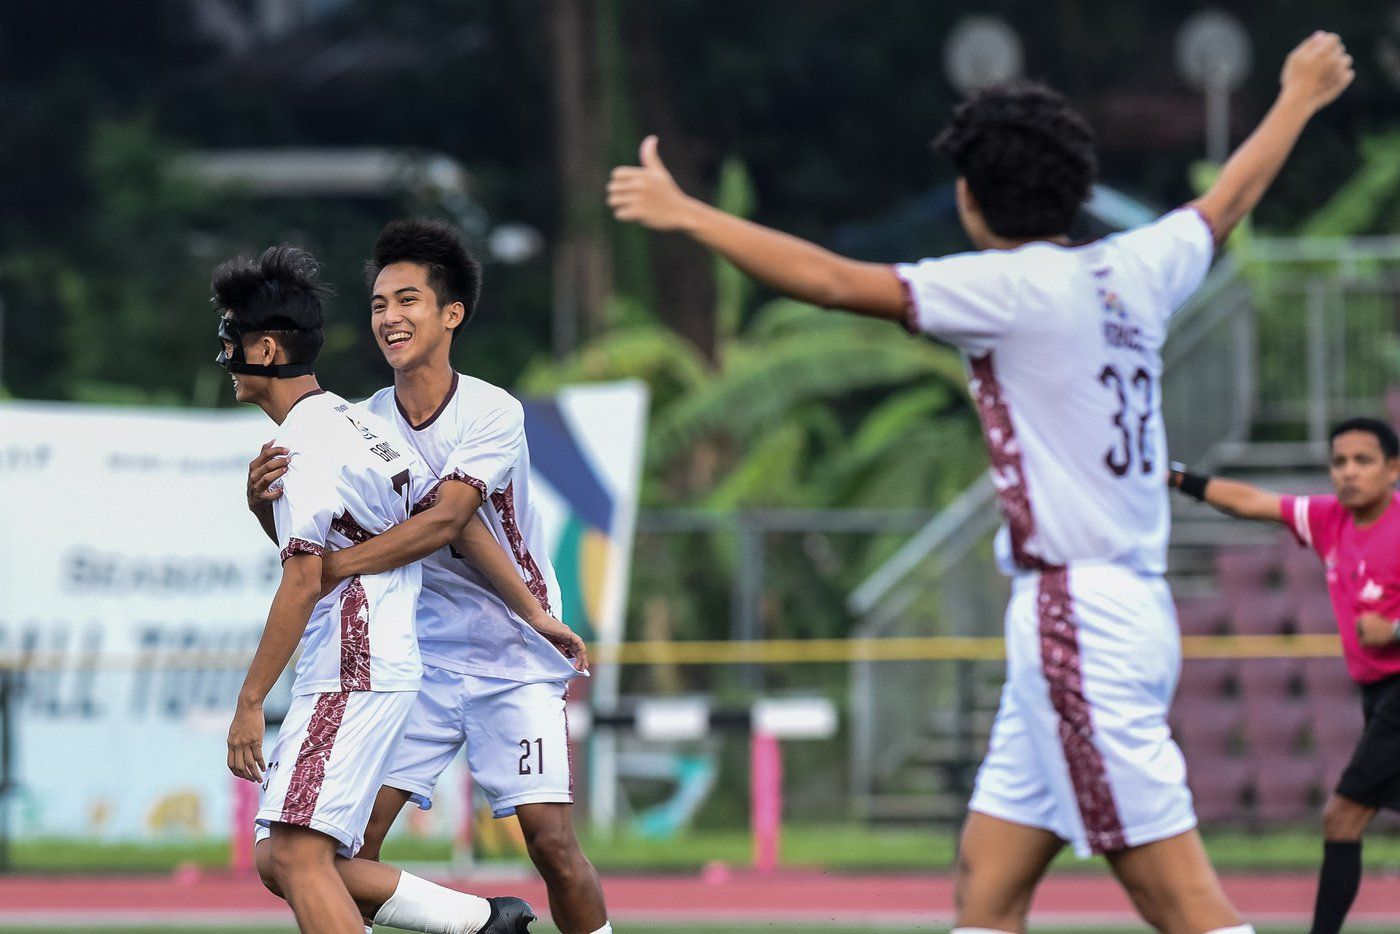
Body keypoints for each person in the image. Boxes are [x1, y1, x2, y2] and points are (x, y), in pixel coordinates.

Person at [608, 30, 1353, 934]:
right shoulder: (1136, 266)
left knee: (1188, 908)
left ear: (970, 198)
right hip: (1119, 612)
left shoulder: (1006, 287)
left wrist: (692, 215)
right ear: (1076, 185)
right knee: (986, 889)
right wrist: (1297, 97)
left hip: (1079, 622)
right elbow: (1226, 199)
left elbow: (836, 282)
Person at [247, 220, 611, 934]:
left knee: (552, 845)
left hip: (514, 658)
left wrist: (536, 616)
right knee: (343, 848)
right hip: (419, 660)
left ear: (452, 315)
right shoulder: (362, 422)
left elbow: (449, 522)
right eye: (380, 304)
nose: (389, 318)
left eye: (407, 301)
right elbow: (316, 539)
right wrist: (263, 506)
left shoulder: (493, 411)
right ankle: (481, 923)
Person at [1170, 417, 1400, 934]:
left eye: (1363, 461)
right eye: (1339, 462)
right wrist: (1180, 478)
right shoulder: (1329, 519)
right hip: (1379, 696)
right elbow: (1251, 502)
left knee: (1342, 817)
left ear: (1394, 470)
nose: (1348, 472)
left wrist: (1395, 630)